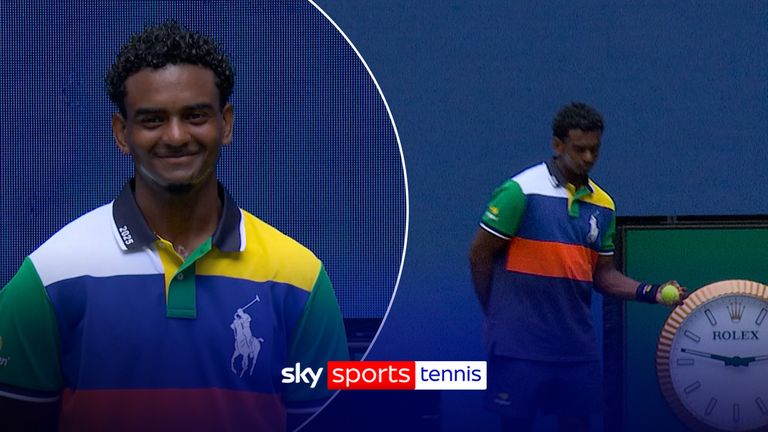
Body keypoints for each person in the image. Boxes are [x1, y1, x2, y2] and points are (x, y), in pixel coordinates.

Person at [0, 21, 348, 432]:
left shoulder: (300, 277)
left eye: (195, 115)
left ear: (226, 123)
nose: (177, 135)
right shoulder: (50, 274)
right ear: (122, 134)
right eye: (152, 120)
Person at [468, 102, 686, 432]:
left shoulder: (604, 205)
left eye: (594, 150)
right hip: (519, 346)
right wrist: (494, 313)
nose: (587, 158)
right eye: (579, 149)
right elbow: (479, 256)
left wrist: (652, 292)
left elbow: (604, 275)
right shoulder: (519, 191)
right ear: (557, 145)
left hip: (575, 350)